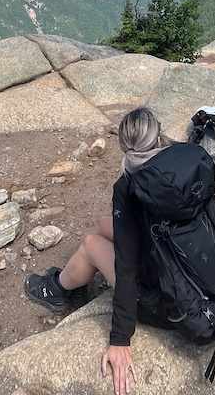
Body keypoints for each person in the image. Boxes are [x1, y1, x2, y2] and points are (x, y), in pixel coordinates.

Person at [24, 106, 174, 395]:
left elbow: (128, 270)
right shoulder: (186, 161)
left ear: (125, 149)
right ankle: (79, 282)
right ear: (158, 139)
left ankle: (57, 290)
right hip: (191, 265)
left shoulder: (130, 188)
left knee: (92, 244)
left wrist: (120, 340)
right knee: (103, 225)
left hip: (169, 298)